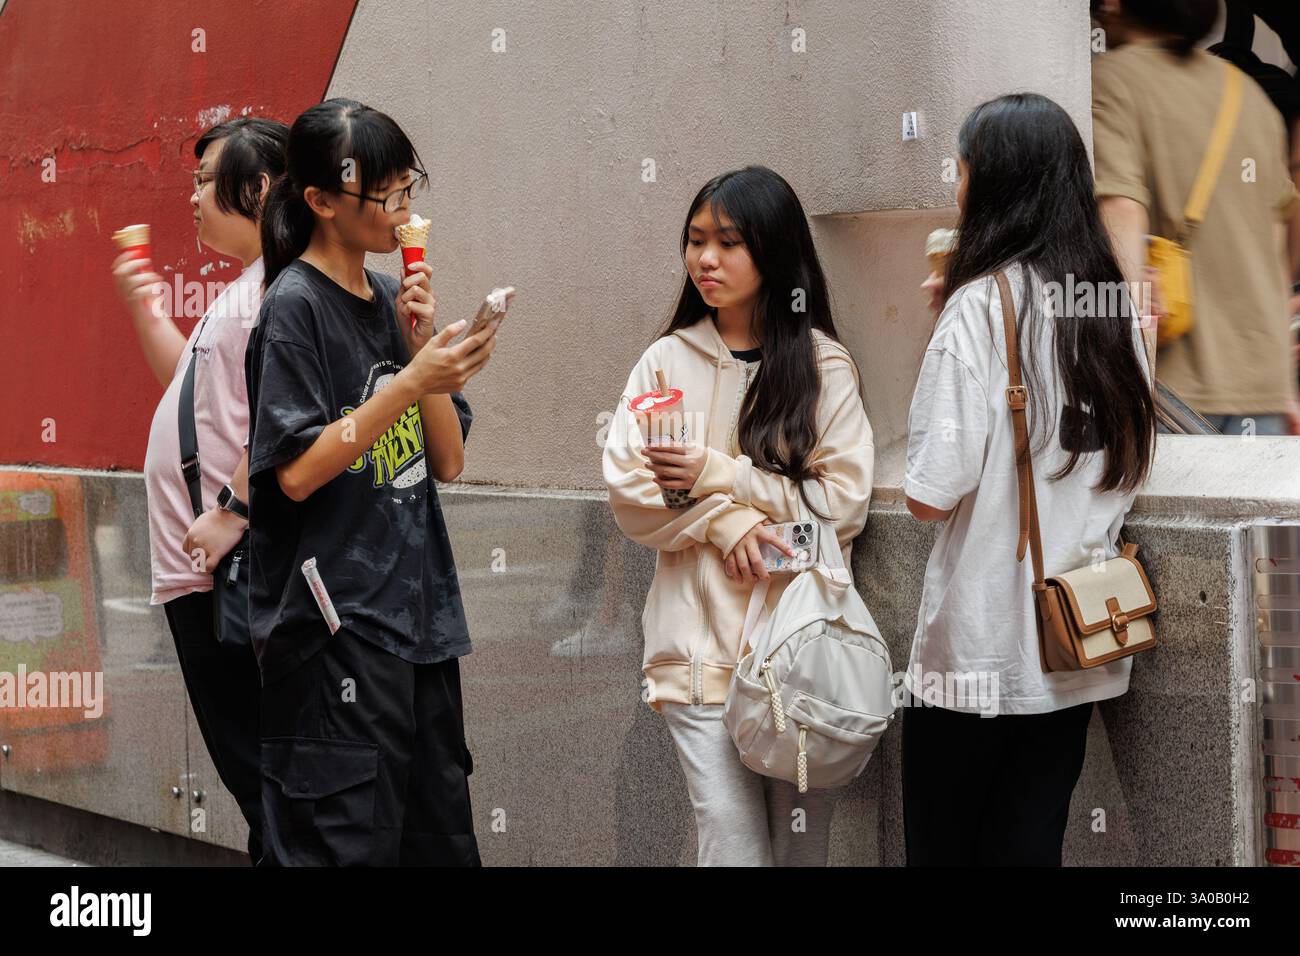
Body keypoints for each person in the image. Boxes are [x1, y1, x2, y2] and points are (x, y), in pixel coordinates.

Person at [902, 93, 1157, 866]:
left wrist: (941, 332)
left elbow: (927, 493)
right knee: (1028, 848)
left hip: (979, 652)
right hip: (1080, 640)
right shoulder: (1113, 308)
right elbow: (1129, 470)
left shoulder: (977, 310)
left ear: (994, 185)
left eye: (963, 168)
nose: (956, 185)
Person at [246, 99, 499, 865]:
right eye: (382, 194)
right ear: (320, 202)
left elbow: (447, 461)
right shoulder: (292, 308)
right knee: (346, 845)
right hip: (335, 633)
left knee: (439, 838)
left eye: (406, 190)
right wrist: (406, 379)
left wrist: (423, 352)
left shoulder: (393, 298)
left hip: (419, 624)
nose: (401, 210)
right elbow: (293, 473)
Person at [603, 165, 875, 866]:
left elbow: (840, 507)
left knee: (799, 856)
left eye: (728, 242)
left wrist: (721, 477)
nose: (705, 259)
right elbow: (632, 492)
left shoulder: (823, 367)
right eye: (695, 241)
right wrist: (728, 524)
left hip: (799, 658)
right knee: (733, 847)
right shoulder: (666, 363)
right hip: (697, 660)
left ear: (775, 253)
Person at [112, 117, 288, 864]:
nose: (192, 195)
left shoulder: (279, 290)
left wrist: (235, 511)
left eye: (205, 176)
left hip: (227, 569)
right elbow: (195, 398)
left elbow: (291, 418)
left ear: (258, 188)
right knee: (254, 775)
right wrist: (146, 311)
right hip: (201, 569)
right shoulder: (244, 291)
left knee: (264, 775)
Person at [1091, 0, 1300, 434]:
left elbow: (1122, 211)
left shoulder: (1112, 81)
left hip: (1172, 390)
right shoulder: (1247, 94)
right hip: (1261, 385)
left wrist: (1121, 362)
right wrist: (1281, 384)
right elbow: (1284, 239)